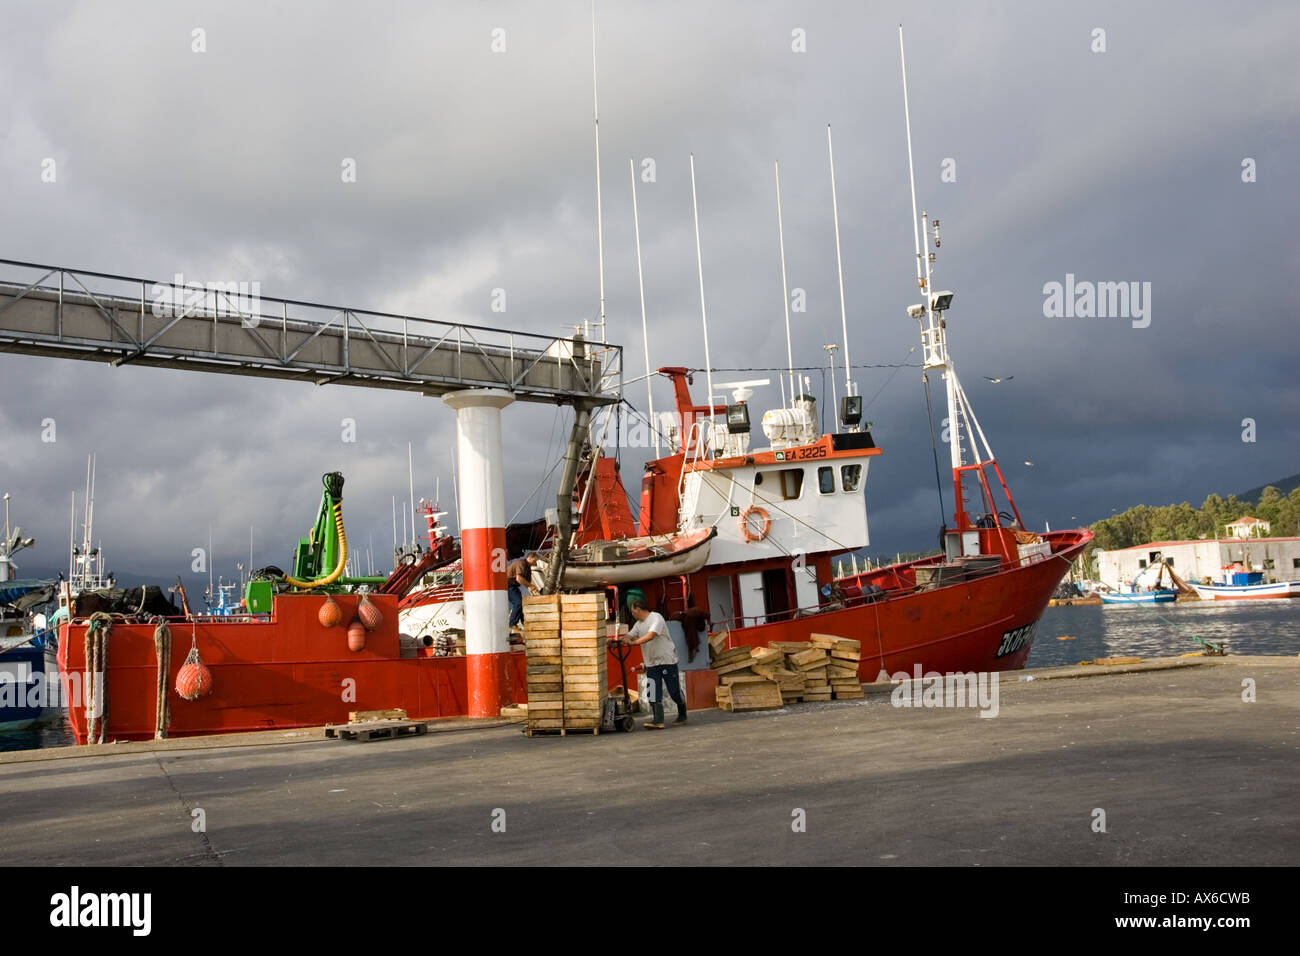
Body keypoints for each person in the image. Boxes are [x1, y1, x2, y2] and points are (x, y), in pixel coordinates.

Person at [622, 598, 686, 729]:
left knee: (674, 692)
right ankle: (658, 720)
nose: (632, 614)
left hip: (667, 661)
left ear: (638, 610)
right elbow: (629, 635)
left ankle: (682, 713)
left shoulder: (656, 618)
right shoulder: (638, 624)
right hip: (651, 664)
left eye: (633, 612)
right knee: (652, 692)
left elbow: (651, 635)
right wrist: (624, 639)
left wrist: (634, 642)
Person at [507, 553, 538, 629]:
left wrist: (534, 591)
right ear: (530, 558)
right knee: (518, 603)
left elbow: (528, 583)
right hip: (507, 584)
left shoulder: (528, 567)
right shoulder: (521, 564)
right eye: (535, 560)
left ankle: (524, 623)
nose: (536, 563)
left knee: (521, 603)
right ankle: (512, 625)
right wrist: (530, 586)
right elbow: (519, 578)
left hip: (513, 586)